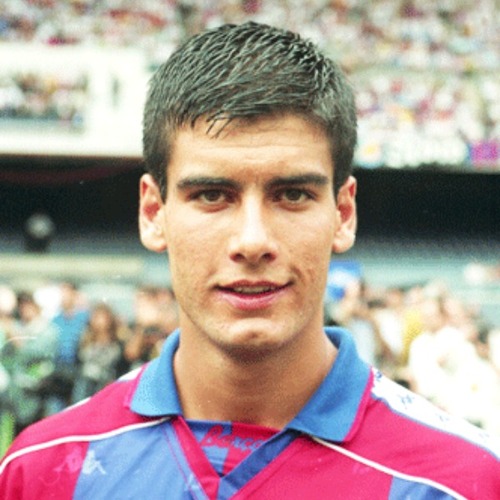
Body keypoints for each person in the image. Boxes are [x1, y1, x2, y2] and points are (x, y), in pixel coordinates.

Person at [1, 22, 499, 499]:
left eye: (293, 195)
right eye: (212, 195)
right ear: (153, 213)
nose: (253, 241)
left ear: (343, 214)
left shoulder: (462, 483)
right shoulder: (40, 472)